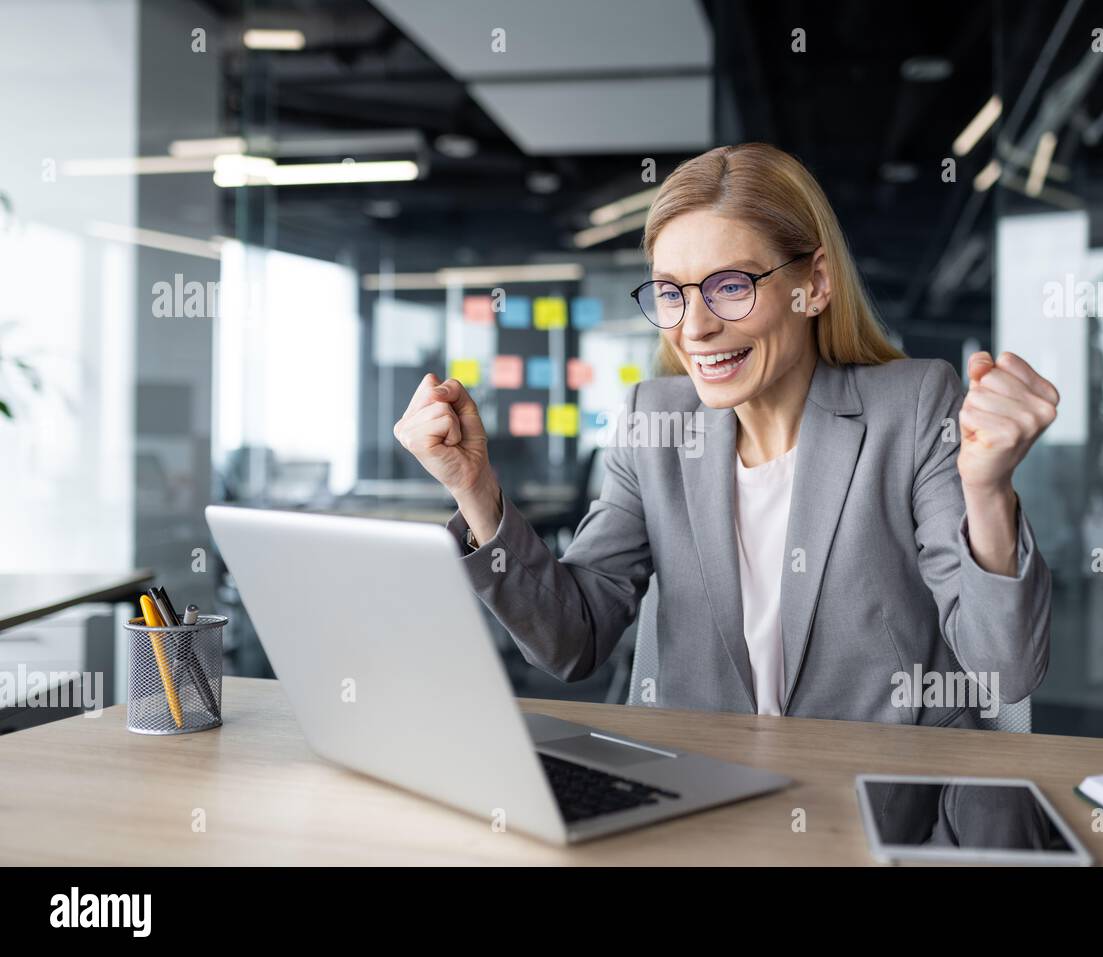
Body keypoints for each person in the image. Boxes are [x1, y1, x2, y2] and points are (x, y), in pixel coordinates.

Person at [394, 142, 1058, 726]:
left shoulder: (910, 405)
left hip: (873, 804)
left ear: (815, 283)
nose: (695, 327)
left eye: (730, 286)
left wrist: (988, 490)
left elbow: (1005, 671)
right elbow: (575, 640)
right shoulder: (656, 425)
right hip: (699, 793)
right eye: (671, 293)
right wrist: (476, 491)